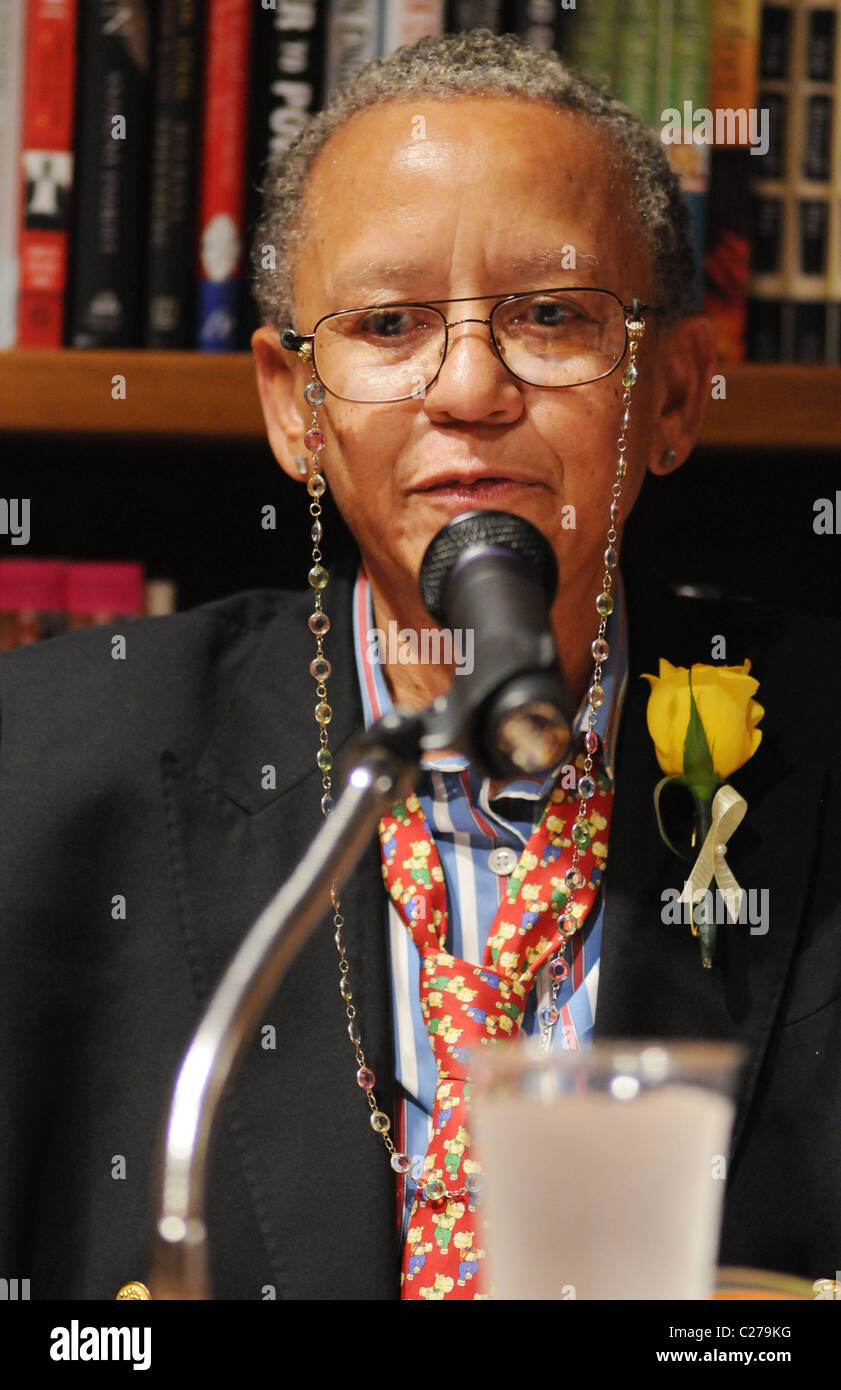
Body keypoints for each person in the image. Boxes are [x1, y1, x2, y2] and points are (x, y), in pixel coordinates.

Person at [1, 31, 839, 1302]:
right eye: (387, 324)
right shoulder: (41, 773)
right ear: (295, 405)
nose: (468, 386)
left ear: (673, 393)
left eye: (551, 316)